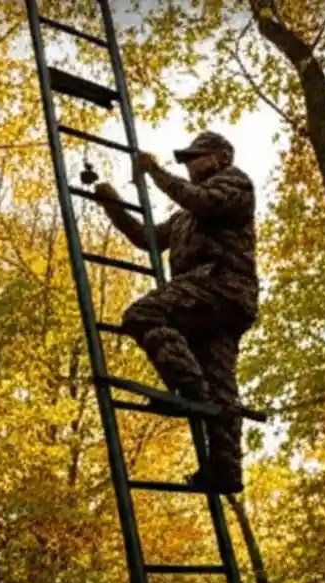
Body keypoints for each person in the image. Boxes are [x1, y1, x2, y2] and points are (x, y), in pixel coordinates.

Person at [90, 130, 258, 494]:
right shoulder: (185, 217)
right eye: (185, 159)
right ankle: (225, 471)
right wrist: (112, 204)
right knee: (222, 386)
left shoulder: (235, 184)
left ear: (221, 157)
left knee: (143, 314)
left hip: (219, 288)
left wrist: (154, 171)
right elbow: (146, 238)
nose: (190, 163)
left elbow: (203, 202)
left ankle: (191, 388)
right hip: (208, 301)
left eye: (196, 156)